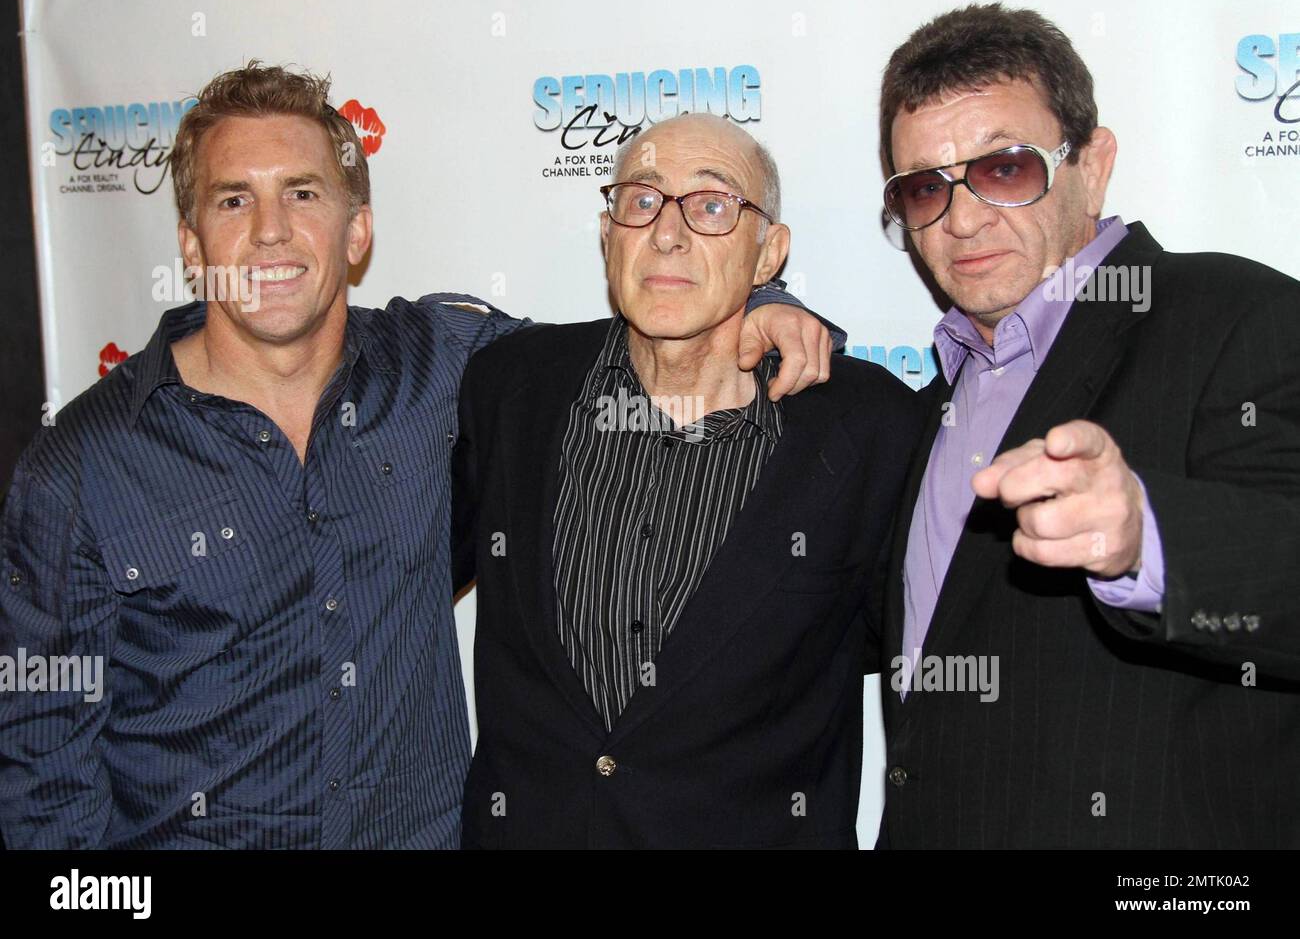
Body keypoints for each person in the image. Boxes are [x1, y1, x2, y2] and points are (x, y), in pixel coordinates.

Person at [0, 63, 836, 849]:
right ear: (190, 243)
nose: (270, 233)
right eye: (231, 201)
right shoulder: (80, 468)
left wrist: (766, 297)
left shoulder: (455, 367)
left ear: (357, 228)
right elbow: (40, 779)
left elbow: (653, 336)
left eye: (302, 193)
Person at [876, 3, 1300, 847]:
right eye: (924, 187)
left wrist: (1148, 535)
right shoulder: (929, 403)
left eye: (1003, 168)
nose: (960, 220)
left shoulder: (1237, 314)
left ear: (1093, 165)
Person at [452, 113, 922, 848]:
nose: (667, 233)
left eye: (712, 206)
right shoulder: (509, 388)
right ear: (609, 234)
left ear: (769, 253)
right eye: (641, 201)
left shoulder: (868, 429)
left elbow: (911, 672)